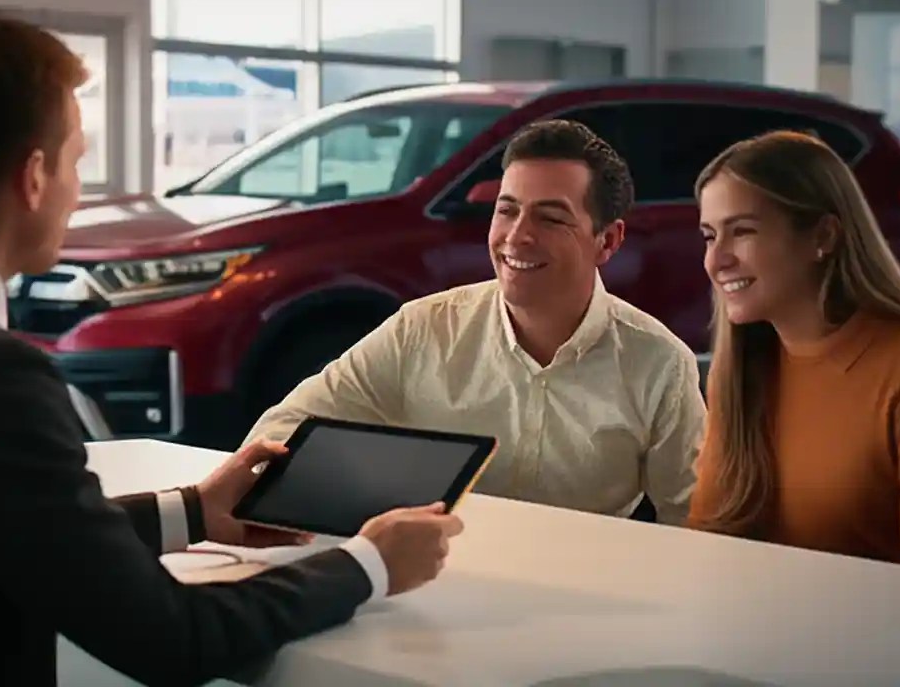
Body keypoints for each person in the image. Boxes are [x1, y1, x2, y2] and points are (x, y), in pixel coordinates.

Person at [0, 16, 463, 687]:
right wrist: (368, 564)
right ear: (33, 178)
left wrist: (196, 512)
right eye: (75, 161)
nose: (75, 190)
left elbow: (3, 529)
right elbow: (171, 638)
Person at [245, 120, 706, 525]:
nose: (517, 236)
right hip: (432, 580)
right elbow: (278, 433)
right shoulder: (423, 330)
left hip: (581, 600)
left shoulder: (658, 364)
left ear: (607, 241)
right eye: (506, 210)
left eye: (550, 218)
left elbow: (694, 523)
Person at [687, 129, 900, 574]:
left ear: (822, 236)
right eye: (710, 236)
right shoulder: (741, 372)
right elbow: (708, 545)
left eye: (742, 231)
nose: (716, 260)